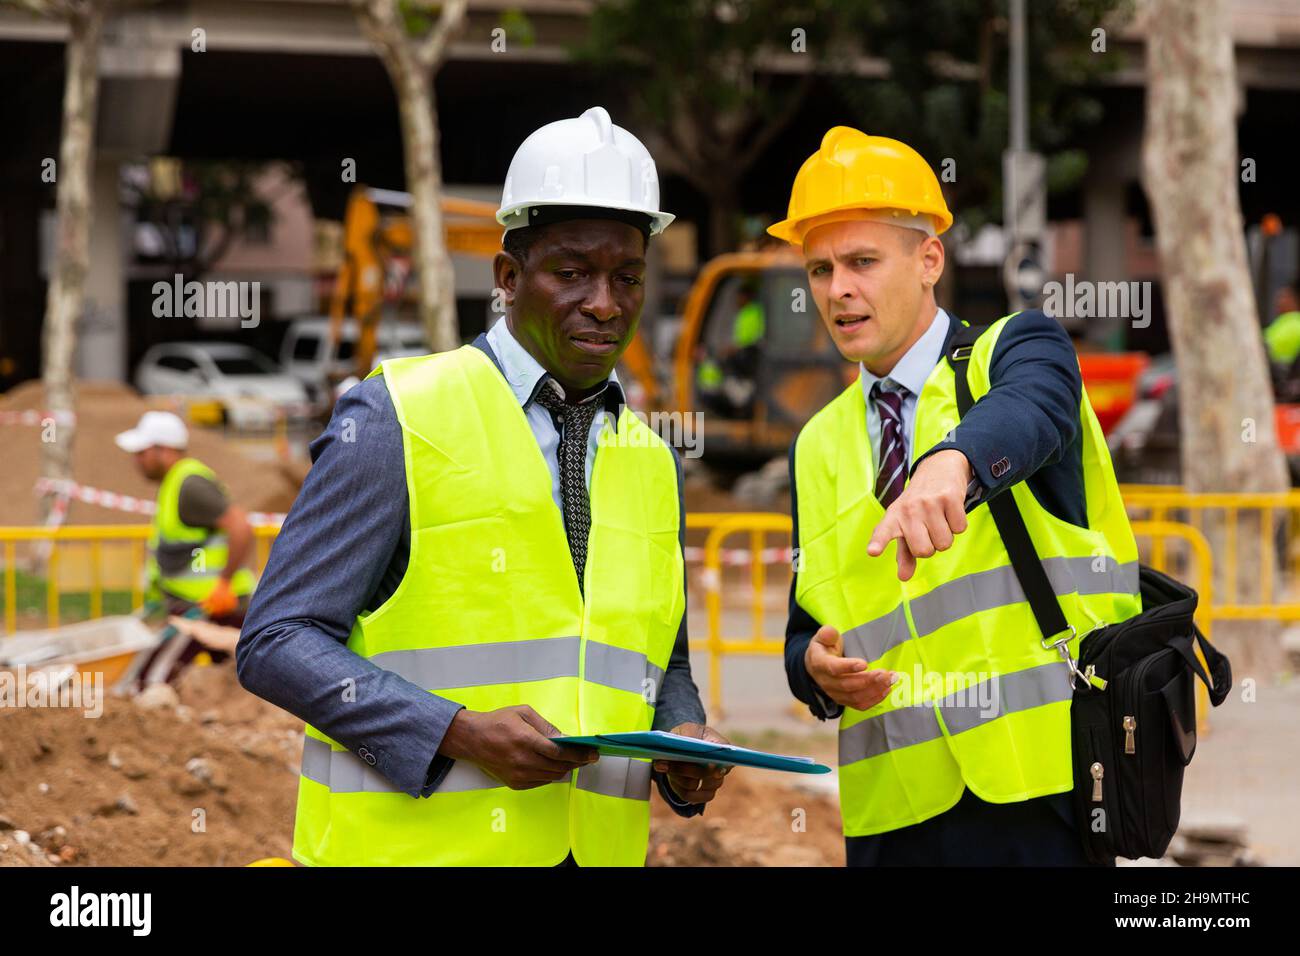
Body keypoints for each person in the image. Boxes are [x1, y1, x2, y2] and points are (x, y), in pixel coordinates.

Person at [237, 106, 729, 867]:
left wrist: (686, 737)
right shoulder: (397, 415)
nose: (605, 303)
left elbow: (660, 662)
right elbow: (277, 640)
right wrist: (455, 733)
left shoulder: (651, 459)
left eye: (627, 277)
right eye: (572, 273)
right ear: (507, 276)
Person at [772, 127, 1142, 865]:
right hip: (892, 817)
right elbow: (807, 620)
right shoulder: (816, 441)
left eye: (862, 261)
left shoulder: (1015, 350)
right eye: (819, 269)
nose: (838, 288)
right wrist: (812, 671)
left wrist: (954, 462)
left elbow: (1034, 407)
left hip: (1036, 801)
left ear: (929, 258)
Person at [114, 409, 256, 683]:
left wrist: (223, 584)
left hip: (212, 607)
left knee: (153, 678)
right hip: (195, 606)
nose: (136, 461)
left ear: (164, 450)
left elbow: (240, 527)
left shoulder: (190, 485)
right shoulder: (175, 483)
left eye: (141, 452)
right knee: (233, 680)